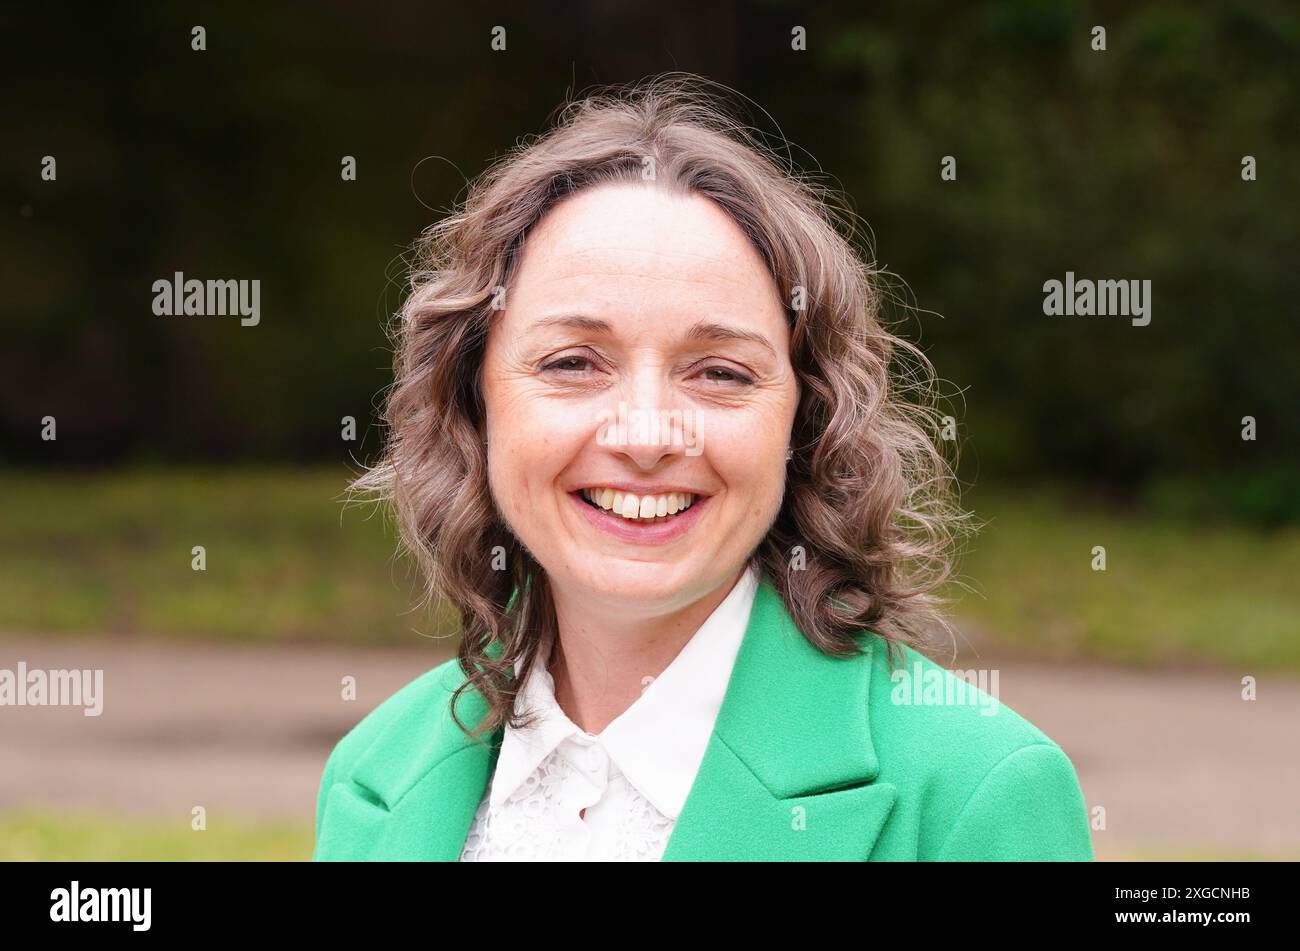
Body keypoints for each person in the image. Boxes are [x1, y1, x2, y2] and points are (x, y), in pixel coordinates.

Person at [312, 74, 1093, 862]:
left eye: (719, 371)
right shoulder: (371, 778)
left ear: (806, 420)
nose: (648, 433)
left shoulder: (977, 793)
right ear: (474, 402)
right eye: (575, 362)